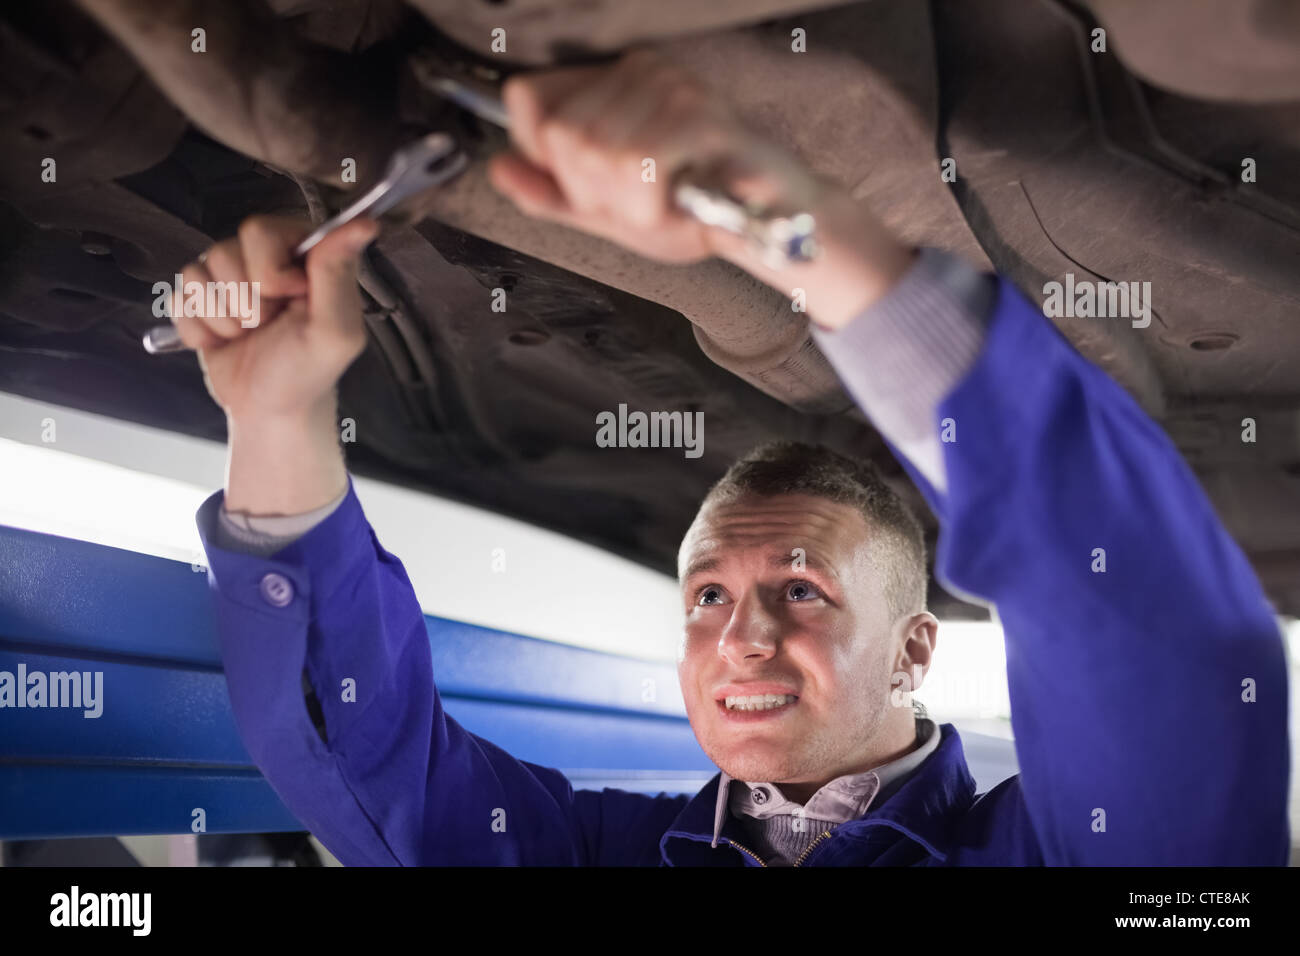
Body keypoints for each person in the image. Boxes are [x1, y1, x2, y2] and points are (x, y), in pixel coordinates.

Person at [175, 51, 1290, 866]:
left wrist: (791, 225)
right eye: (708, 592)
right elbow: (361, 759)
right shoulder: (591, 850)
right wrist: (277, 417)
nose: (738, 636)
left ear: (914, 648)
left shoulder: (1056, 850)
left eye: (800, 588)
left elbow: (1163, 660)